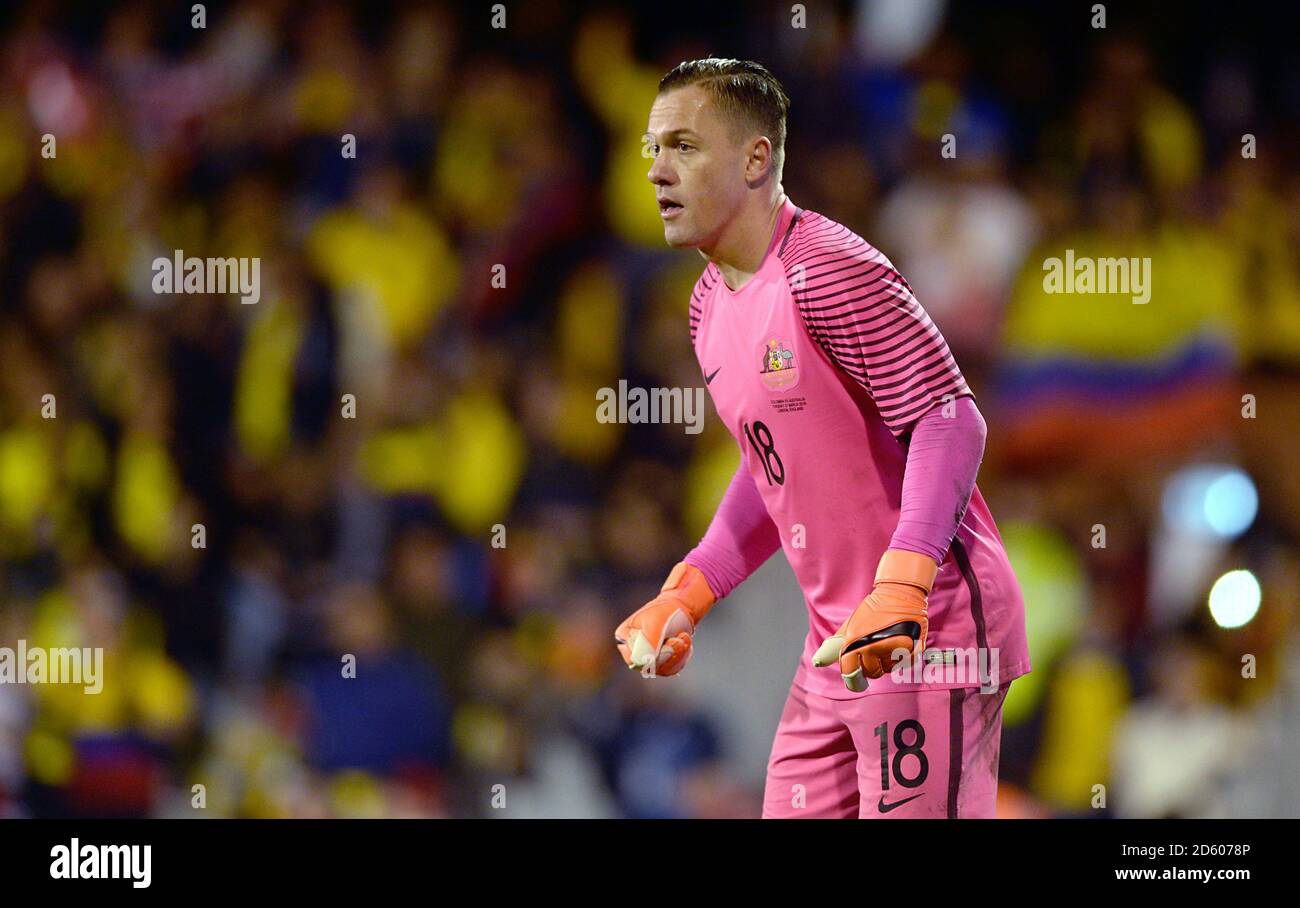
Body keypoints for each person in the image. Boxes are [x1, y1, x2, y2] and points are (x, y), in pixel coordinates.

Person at [615, 58, 1031, 819]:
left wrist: (902, 586)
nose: (656, 171)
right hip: (834, 643)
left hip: (928, 630)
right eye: (652, 148)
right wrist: (693, 586)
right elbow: (772, 466)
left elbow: (949, 417)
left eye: (682, 146)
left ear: (754, 159)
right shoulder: (708, 304)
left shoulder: (830, 270)